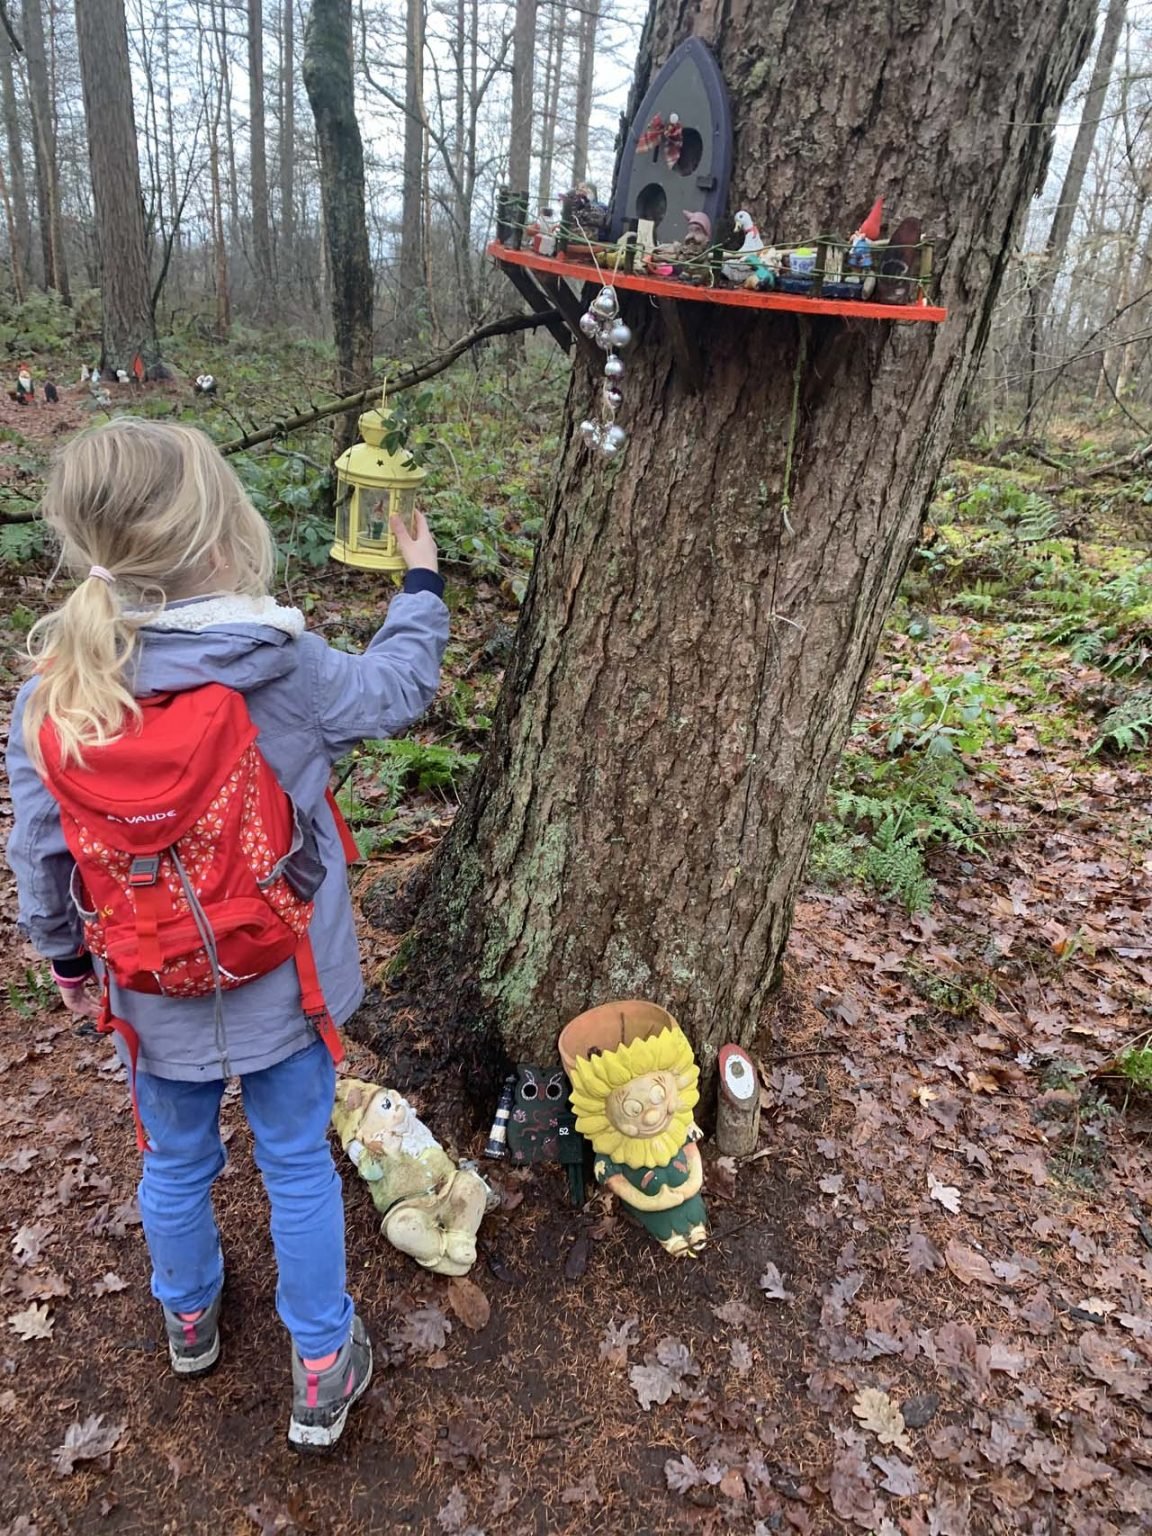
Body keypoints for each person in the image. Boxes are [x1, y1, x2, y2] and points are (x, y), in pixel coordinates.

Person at [5, 418, 448, 1452]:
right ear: (218, 537)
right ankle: (323, 1357)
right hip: (281, 988)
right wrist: (418, 590)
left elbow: (41, 852)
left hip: (151, 988)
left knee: (173, 1159)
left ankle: (191, 1313)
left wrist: (68, 958)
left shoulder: (53, 695)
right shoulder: (277, 665)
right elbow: (399, 690)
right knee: (296, 1162)